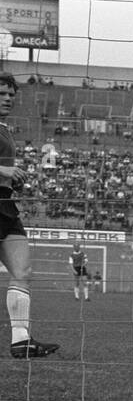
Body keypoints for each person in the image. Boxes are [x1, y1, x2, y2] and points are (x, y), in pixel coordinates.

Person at [0, 73, 58, 358]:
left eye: (11, 94)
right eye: (2, 94)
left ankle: (21, 340)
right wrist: (4, 170)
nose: (8, 98)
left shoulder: (5, 129)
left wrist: (12, 179)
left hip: (5, 205)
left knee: (22, 271)